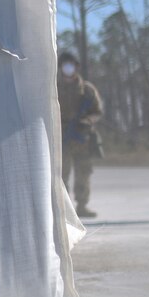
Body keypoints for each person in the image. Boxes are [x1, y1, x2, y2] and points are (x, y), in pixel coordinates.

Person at [57, 51, 103, 219]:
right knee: (61, 175)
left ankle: (82, 206)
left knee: (83, 173)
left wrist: (87, 121)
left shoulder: (88, 90)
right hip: (61, 139)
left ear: (77, 67)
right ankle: (63, 208)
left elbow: (97, 111)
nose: (68, 68)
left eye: (71, 64)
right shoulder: (53, 87)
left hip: (83, 139)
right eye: (64, 64)